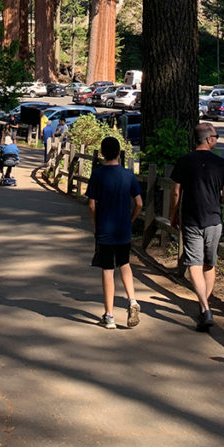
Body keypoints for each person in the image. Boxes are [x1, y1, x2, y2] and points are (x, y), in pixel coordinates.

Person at [169, 122, 224, 332]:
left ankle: (204, 307)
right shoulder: (221, 163)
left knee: (194, 264)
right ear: (209, 139)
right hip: (214, 221)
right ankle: (205, 306)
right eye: (216, 136)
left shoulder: (184, 161)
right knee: (209, 264)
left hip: (191, 219)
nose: (217, 139)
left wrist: (173, 215)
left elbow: (175, 192)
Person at [85, 135, 143, 329]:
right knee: (125, 264)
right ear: (119, 153)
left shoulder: (98, 174)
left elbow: (91, 204)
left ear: (102, 153)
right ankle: (132, 300)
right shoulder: (128, 175)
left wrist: (96, 224)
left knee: (108, 270)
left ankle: (109, 316)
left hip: (105, 229)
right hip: (123, 228)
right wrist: (131, 219)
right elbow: (139, 203)